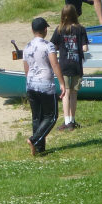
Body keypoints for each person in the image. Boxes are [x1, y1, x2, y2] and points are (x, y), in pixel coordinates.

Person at [23, 17, 67, 156]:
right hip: (45, 84)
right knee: (51, 116)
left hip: (31, 83)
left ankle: (40, 148)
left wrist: (29, 81)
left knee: (37, 117)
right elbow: (54, 64)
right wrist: (61, 83)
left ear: (32, 30)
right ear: (45, 30)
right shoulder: (48, 46)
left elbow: (26, 68)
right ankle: (34, 140)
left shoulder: (27, 46)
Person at [50, 4, 89, 131]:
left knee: (65, 93)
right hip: (77, 65)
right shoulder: (81, 29)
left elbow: (53, 47)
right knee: (74, 93)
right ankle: (72, 120)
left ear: (62, 16)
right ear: (75, 15)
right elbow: (85, 48)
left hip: (64, 65)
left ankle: (66, 122)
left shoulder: (59, 30)